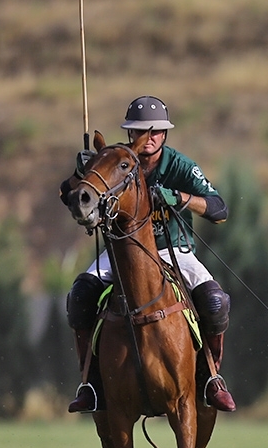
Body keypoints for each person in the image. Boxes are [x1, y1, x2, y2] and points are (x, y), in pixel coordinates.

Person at [64, 96, 236, 413]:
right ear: (131, 134)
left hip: (173, 252)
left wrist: (178, 197)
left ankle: (210, 378)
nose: (149, 137)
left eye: (155, 131)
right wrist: (83, 173)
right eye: (141, 131)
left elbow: (219, 209)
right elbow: (71, 196)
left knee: (214, 302)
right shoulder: (115, 161)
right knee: (79, 296)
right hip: (122, 253)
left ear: (164, 134)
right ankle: (90, 382)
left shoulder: (179, 166)